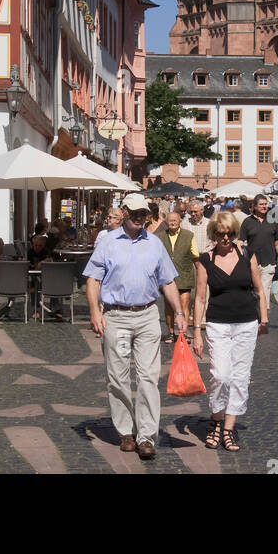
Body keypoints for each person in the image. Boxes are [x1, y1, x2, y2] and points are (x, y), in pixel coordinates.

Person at [83, 191, 187, 460]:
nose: (142, 217)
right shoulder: (107, 243)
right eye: (137, 213)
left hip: (147, 316)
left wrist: (178, 311)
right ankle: (126, 431)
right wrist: (95, 312)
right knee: (117, 377)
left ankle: (146, 436)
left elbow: (168, 281)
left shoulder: (154, 243)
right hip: (116, 317)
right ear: (125, 213)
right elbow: (93, 280)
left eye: (145, 213)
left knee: (148, 377)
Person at [192, 210, 268, 452]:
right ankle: (216, 420)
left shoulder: (246, 253)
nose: (225, 238)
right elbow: (200, 298)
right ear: (214, 234)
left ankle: (228, 428)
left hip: (246, 323)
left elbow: (259, 289)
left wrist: (263, 319)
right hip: (218, 324)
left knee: (239, 377)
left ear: (234, 233)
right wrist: (196, 330)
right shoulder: (206, 259)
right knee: (220, 375)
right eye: (220, 234)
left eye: (229, 234)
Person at [239, 195, 278, 321]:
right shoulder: (247, 222)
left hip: (269, 262)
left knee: (264, 291)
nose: (265, 206)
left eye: (266, 204)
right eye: (261, 204)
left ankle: (263, 319)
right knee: (254, 291)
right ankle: (256, 316)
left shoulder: (273, 221)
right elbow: (240, 241)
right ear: (254, 206)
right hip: (251, 264)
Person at [155, 209, 198, 343]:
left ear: (180, 221)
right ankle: (171, 333)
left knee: (184, 304)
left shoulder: (189, 235)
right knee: (168, 306)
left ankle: (182, 333)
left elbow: (195, 256)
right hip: (167, 277)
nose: (172, 222)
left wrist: (202, 273)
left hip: (184, 274)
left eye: (175, 220)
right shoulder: (160, 236)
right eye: (170, 220)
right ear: (166, 222)